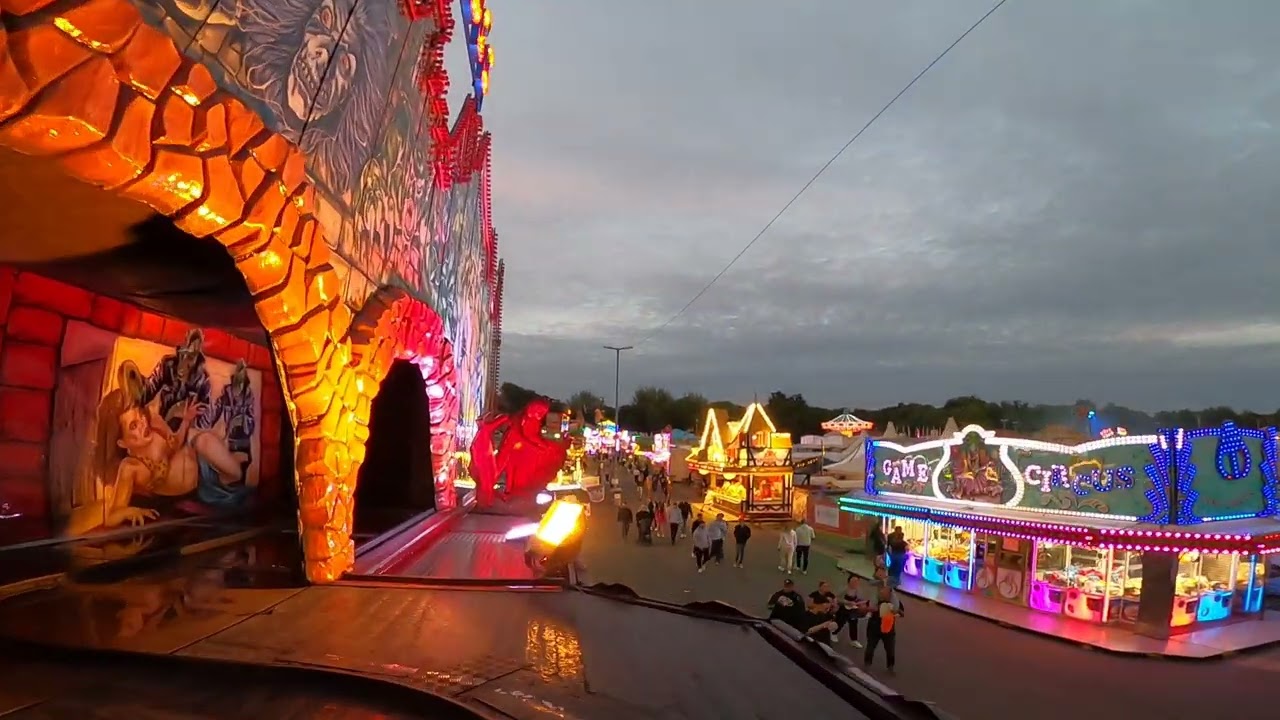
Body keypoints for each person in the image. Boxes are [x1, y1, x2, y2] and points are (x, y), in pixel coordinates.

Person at [865, 585, 905, 672]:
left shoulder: (895, 602)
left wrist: (895, 611)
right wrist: (874, 609)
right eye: (881, 591)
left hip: (888, 629)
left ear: (890, 593)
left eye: (885, 591)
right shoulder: (875, 601)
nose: (882, 593)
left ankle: (890, 667)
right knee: (870, 647)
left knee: (890, 649)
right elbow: (865, 609)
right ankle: (867, 664)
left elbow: (902, 613)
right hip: (874, 627)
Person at [837, 574, 869, 649]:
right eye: (853, 581)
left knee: (854, 622)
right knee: (840, 622)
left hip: (852, 609)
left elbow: (859, 599)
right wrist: (847, 602)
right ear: (849, 581)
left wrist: (860, 603)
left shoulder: (858, 590)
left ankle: (853, 640)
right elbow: (837, 598)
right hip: (843, 608)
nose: (855, 583)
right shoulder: (844, 589)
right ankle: (834, 633)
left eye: (857, 581)